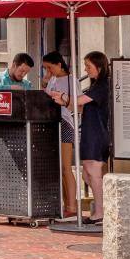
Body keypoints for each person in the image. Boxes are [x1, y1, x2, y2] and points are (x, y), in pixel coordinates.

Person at [54, 51, 111, 223]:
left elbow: (80, 101)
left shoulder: (103, 85)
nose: (86, 70)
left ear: (99, 67)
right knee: (87, 175)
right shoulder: (95, 85)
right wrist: (65, 101)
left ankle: (100, 212)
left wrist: (64, 97)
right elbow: (81, 107)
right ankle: (101, 208)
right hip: (89, 132)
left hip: (97, 133)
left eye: (89, 66)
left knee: (93, 173)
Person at [41, 51, 78, 218]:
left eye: (50, 67)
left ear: (59, 64)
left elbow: (76, 104)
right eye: (46, 68)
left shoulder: (72, 80)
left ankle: (72, 205)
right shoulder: (53, 79)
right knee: (59, 167)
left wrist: (63, 99)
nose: (48, 71)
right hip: (53, 123)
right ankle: (65, 203)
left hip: (65, 124)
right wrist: (45, 81)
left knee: (66, 167)